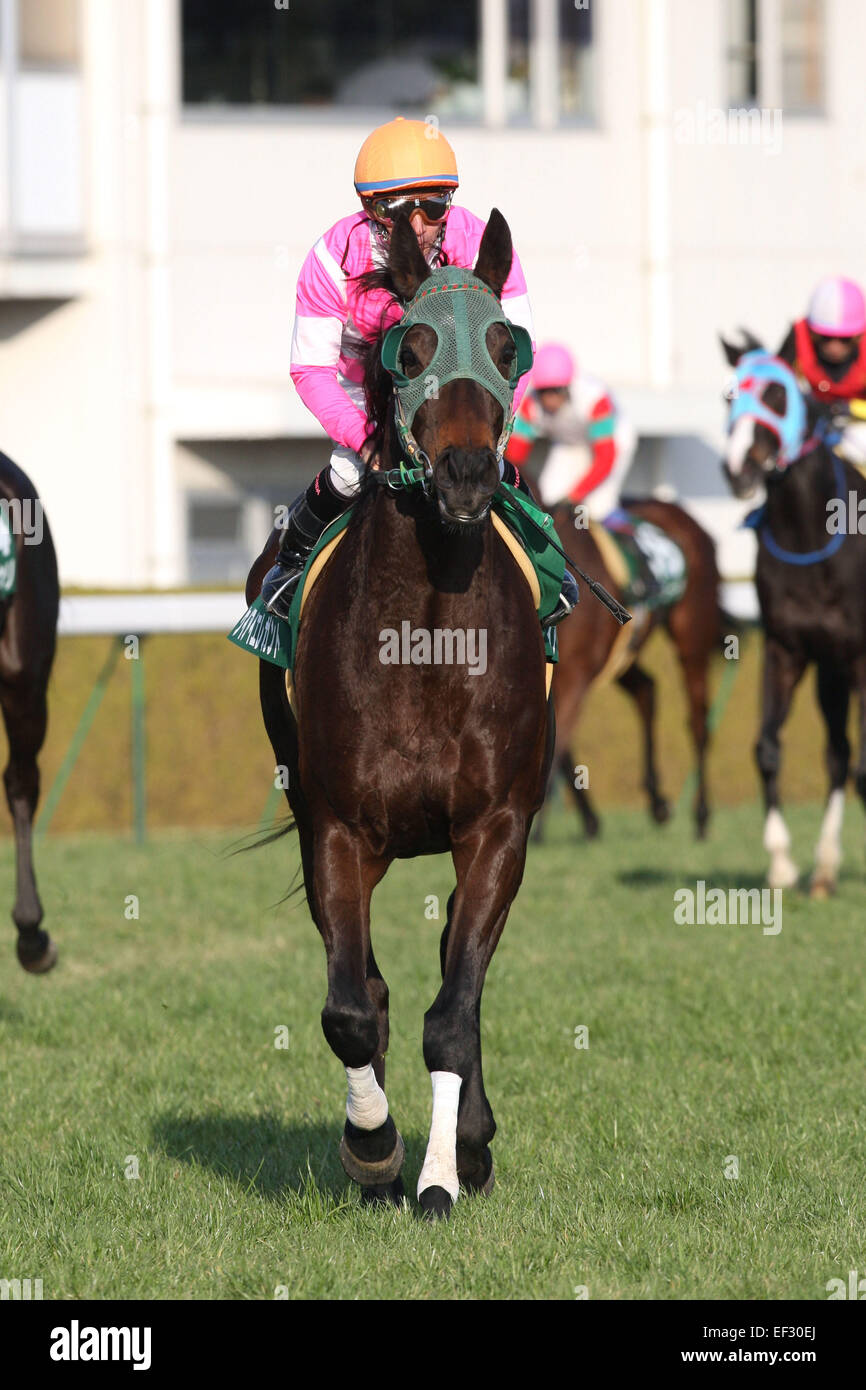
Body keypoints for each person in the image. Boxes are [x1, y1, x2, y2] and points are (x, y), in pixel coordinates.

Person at [261, 117, 577, 625]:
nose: (420, 227)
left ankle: (549, 573)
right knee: (346, 472)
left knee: (497, 470)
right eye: (401, 210)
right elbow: (311, 371)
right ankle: (288, 568)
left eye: (433, 208)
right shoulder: (331, 258)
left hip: (462, 382)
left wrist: (493, 428)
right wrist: (364, 439)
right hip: (365, 383)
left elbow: (516, 350)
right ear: (371, 211)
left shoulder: (477, 240)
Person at [504, 343, 662, 601]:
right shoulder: (532, 404)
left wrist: (577, 494)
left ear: (568, 386)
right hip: (569, 446)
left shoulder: (595, 398)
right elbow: (516, 455)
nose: (549, 400)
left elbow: (605, 458)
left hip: (611, 445)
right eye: (543, 392)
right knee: (547, 507)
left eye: (555, 392)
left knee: (596, 508)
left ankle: (644, 571)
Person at [780, 275, 866, 467]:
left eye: (845, 339)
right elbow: (778, 385)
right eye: (826, 337)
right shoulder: (797, 337)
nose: (835, 347)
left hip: (858, 424)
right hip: (814, 422)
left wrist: (848, 409)